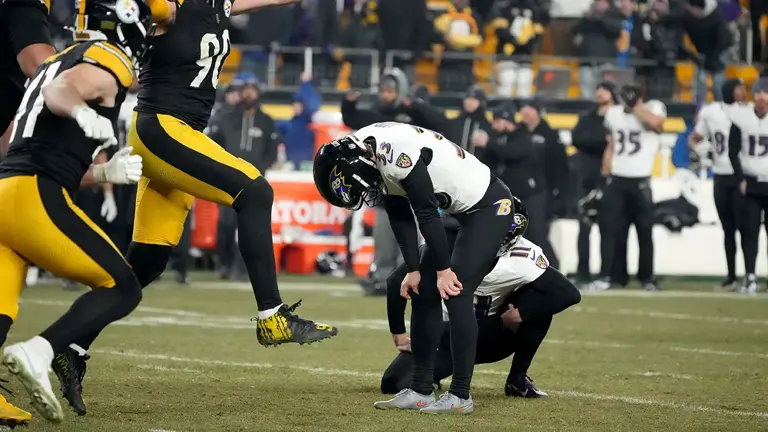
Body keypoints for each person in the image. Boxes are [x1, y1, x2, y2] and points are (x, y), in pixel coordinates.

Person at [58, 0, 337, 416]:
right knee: (255, 192)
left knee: (146, 263)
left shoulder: (218, 2)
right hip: (161, 128)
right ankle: (272, 316)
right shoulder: (166, 8)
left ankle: (70, 345)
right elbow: (136, 14)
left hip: (179, 135)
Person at [0, 0, 153, 423]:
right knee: (123, 287)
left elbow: (34, 146)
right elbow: (59, 93)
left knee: (1, 307)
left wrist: (103, 170)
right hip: (34, 196)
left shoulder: (55, 59)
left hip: (6, 192)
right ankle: (40, 350)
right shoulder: (109, 57)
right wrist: (83, 111)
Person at [314, 122, 516, 414]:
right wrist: (413, 269)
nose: (368, 192)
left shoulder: (394, 152)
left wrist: (444, 270)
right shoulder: (363, 148)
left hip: (488, 206)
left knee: (456, 289)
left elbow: (424, 212)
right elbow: (399, 213)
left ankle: (461, 395)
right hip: (456, 209)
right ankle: (421, 390)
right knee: (422, 290)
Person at [381, 199, 581, 397]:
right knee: (394, 382)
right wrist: (399, 335)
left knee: (539, 302)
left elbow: (567, 293)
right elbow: (396, 281)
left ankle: (517, 378)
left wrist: (522, 313)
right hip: (447, 336)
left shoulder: (522, 257)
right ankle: (435, 375)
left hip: (491, 336)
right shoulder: (449, 245)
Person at [593, 85, 666, 291]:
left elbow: (657, 124)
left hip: (641, 179)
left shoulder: (653, 108)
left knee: (644, 231)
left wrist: (635, 106)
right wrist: (604, 175)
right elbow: (611, 145)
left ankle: (647, 277)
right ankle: (613, 276)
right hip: (617, 179)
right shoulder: (614, 113)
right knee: (613, 230)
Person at [689, 78, 749, 290]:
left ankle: (749, 274)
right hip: (722, 175)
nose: (744, 92)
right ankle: (732, 276)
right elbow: (694, 138)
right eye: (740, 88)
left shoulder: (751, 111)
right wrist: (702, 153)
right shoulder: (711, 111)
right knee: (728, 229)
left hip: (744, 176)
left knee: (747, 229)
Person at [571, 81, 617, 284]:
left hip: (610, 178)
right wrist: (603, 142)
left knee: (608, 228)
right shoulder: (587, 118)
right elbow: (577, 138)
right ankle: (583, 273)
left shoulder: (618, 117)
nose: (599, 93)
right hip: (587, 177)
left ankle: (606, 273)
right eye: (598, 89)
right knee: (584, 228)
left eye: (605, 89)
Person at [728, 78, 768, 294]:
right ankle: (750, 276)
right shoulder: (741, 118)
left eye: (766, 92)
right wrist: (740, 178)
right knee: (749, 231)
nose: (762, 97)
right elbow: (732, 151)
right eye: (759, 92)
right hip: (751, 183)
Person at [516, 100, 566, 269]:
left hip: (542, 191)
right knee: (524, 233)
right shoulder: (518, 133)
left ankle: (553, 268)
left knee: (538, 232)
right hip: (522, 190)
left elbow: (560, 167)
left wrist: (558, 193)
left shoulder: (550, 135)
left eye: (529, 110)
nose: (525, 113)